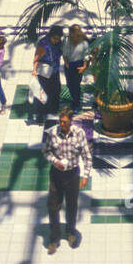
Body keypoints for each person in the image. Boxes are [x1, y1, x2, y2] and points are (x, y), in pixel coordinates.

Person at [42, 107, 92, 254]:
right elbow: (45, 151)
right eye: (60, 121)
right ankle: (54, 238)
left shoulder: (79, 134)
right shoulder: (52, 133)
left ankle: (70, 232)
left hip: (72, 175)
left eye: (64, 122)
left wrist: (86, 175)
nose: (62, 124)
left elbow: (86, 155)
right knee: (52, 206)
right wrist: (54, 161)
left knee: (71, 206)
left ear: (71, 121)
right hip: (56, 174)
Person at [32, 24, 64, 123]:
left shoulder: (58, 43)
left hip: (54, 71)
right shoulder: (43, 45)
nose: (57, 40)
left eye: (59, 38)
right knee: (43, 94)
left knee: (56, 91)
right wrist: (34, 71)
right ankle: (40, 115)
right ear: (50, 35)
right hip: (44, 73)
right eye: (55, 38)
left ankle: (54, 109)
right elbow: (36, 59)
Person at [63, 24, 90, 113]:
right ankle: (74, 99)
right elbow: (65, 53)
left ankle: (76, 103)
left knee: (76, 85)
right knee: (69, 85)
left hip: (79, 64)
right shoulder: (67, 40)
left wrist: (84, 67)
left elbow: (86, 56)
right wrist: (66, 64)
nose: (73, 38)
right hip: (69, 64)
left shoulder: (84, 43)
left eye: (74, 36)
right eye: (71, 36)